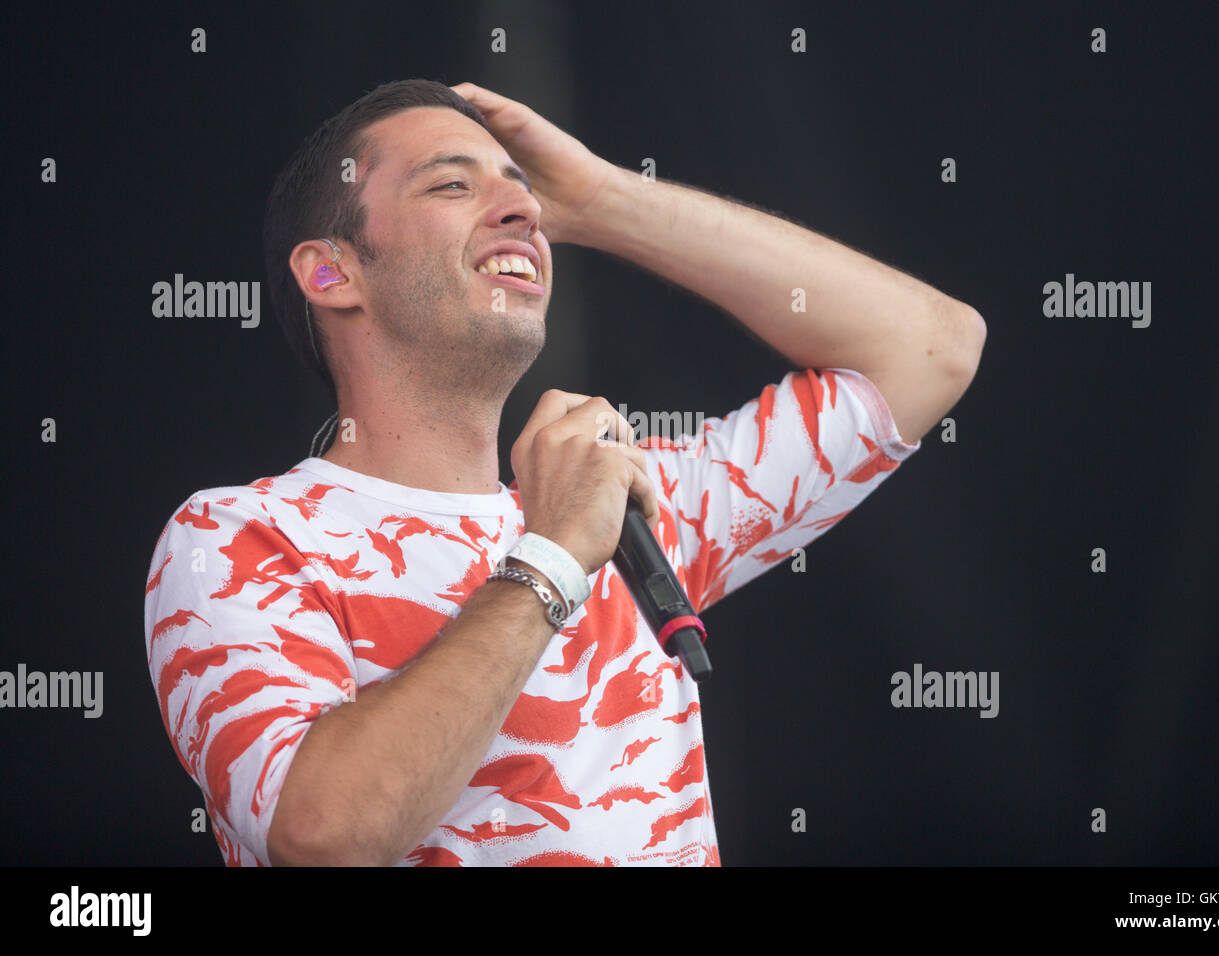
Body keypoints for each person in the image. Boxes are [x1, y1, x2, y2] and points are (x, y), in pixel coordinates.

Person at [143, 79, 985, 866]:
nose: (523, 212)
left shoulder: (629, 512)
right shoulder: (234, 539)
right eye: (451, 186)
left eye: (525, 193)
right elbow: (323, 833)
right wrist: (549, 554)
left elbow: (930, 346)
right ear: (331, 272)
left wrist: (603, 200)